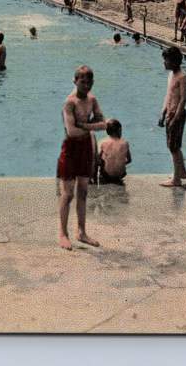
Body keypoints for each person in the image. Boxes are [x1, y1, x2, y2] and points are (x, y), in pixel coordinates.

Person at [57, 65, 107, 250]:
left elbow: (104, 124)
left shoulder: (92, 100)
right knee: (68, 193)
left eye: (89, 82)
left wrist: (84, 125)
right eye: (82, 82)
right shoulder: (69, 103)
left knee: (84, 191)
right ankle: (63, 233)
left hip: (86, 146)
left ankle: (81, 231)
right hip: (71, 148)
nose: (86, 86)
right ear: (75, 81)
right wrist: (91, 125)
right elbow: (71, 131)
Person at [160, 47, 186, 188]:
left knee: (174, 147)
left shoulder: (182, 77)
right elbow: (169, 95)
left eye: (165, 60)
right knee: (172, 145)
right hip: (170, 113)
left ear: (173, 62)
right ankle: (182, 172)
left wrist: (175, 118)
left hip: (177, 114)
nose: (164, 63)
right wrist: (163, 112)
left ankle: (176, 179)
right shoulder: (171, 75)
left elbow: (183, 100)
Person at [97, 119, 131, 185]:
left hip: (106, 175)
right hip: (120, 174)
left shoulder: (103, 142)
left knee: (101, 159)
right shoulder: (125, 143)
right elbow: (129, 160)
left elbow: (97, 160)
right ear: (119, 130)